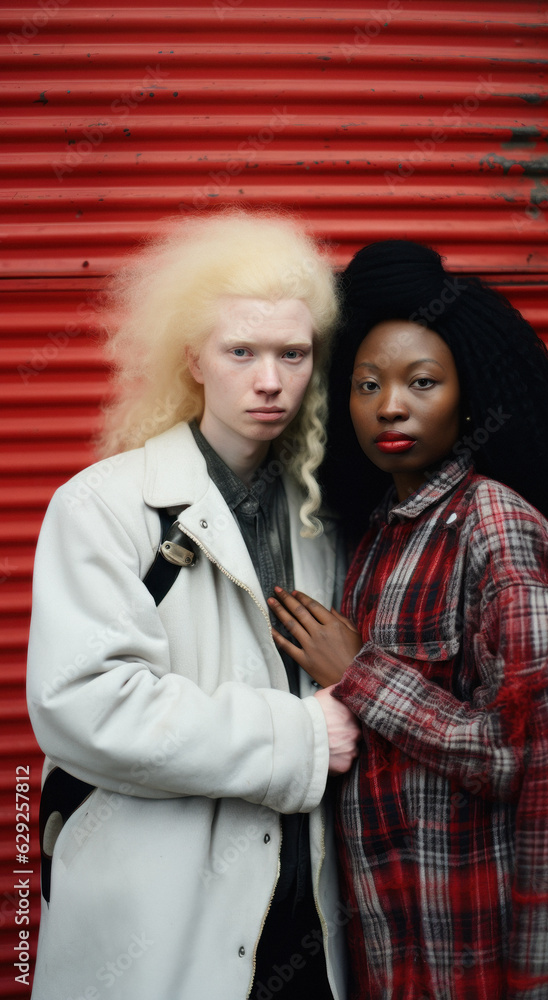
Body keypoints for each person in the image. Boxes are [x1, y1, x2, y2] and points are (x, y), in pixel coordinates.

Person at [269, 240, 548, 1000]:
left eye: (419, 382)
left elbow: (524, 760)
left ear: (467, 397)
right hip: (388, 944)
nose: (389, 405)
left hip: (476, 949)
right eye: (366, 385)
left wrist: (361, 675)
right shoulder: (373, 536)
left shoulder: (498, 531)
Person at [26, 209, 360, 1000]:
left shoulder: (326, 514)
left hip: (304, 910)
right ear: (193, 360)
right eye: (239, 352)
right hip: (160, 914)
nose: (270, 380)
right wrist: (300, 737)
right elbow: (84, 705)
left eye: (292, 353)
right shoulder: (103, 505)